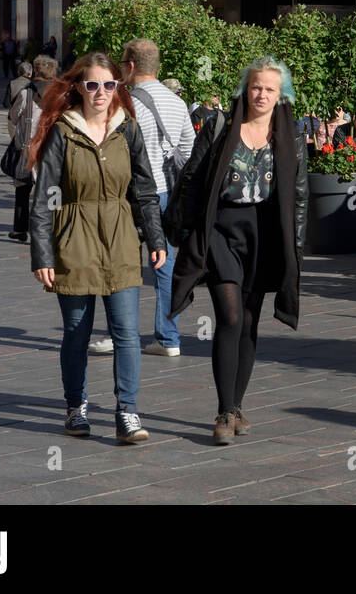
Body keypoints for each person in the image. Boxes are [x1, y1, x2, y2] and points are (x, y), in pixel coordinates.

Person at [168, 57, 308, 446]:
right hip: (220, 231)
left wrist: (296, 252)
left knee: (249, 320)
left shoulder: (291, 138)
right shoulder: (219, 127)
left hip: (264, 234)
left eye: (270, 89)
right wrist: (178, 228)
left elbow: (298, 198)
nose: (261, 94)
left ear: (282, 95)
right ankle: (224, 410)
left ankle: (239, 403)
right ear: (245, 88)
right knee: (229, 316)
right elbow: (193, 177)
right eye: (256, 86)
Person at [28, 52, 165, 444]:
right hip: (74, 242)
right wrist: (43, 255)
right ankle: (76, 406)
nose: (101, 92)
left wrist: (155, 238)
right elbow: (43, 198)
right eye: (92, 85)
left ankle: (127, 412)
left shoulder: (128, 130)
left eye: (109, 85)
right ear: (79, 88)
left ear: (118, 87)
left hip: (120, 241)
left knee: (126, 332)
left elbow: (144, 190)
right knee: (76, 332)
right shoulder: (63, 132)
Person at [119, 38, 196, 358]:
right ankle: (168, 337)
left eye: (123, 64)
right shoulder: (177, 103)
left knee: (122, 264)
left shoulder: (124, 103)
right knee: (163, 263)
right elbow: (188, 155)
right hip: (162, 193)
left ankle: (120, 333)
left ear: (132, 66)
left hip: (126, 193)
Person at [7, 55, 58, 242]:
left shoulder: (25, 93)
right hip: (53, 148)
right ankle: (55, 226)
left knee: (22, 189)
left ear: (35, 72)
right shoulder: (60, 95)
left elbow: (13, 117)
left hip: (28, 149)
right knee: (53, 189)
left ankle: (20, 229)